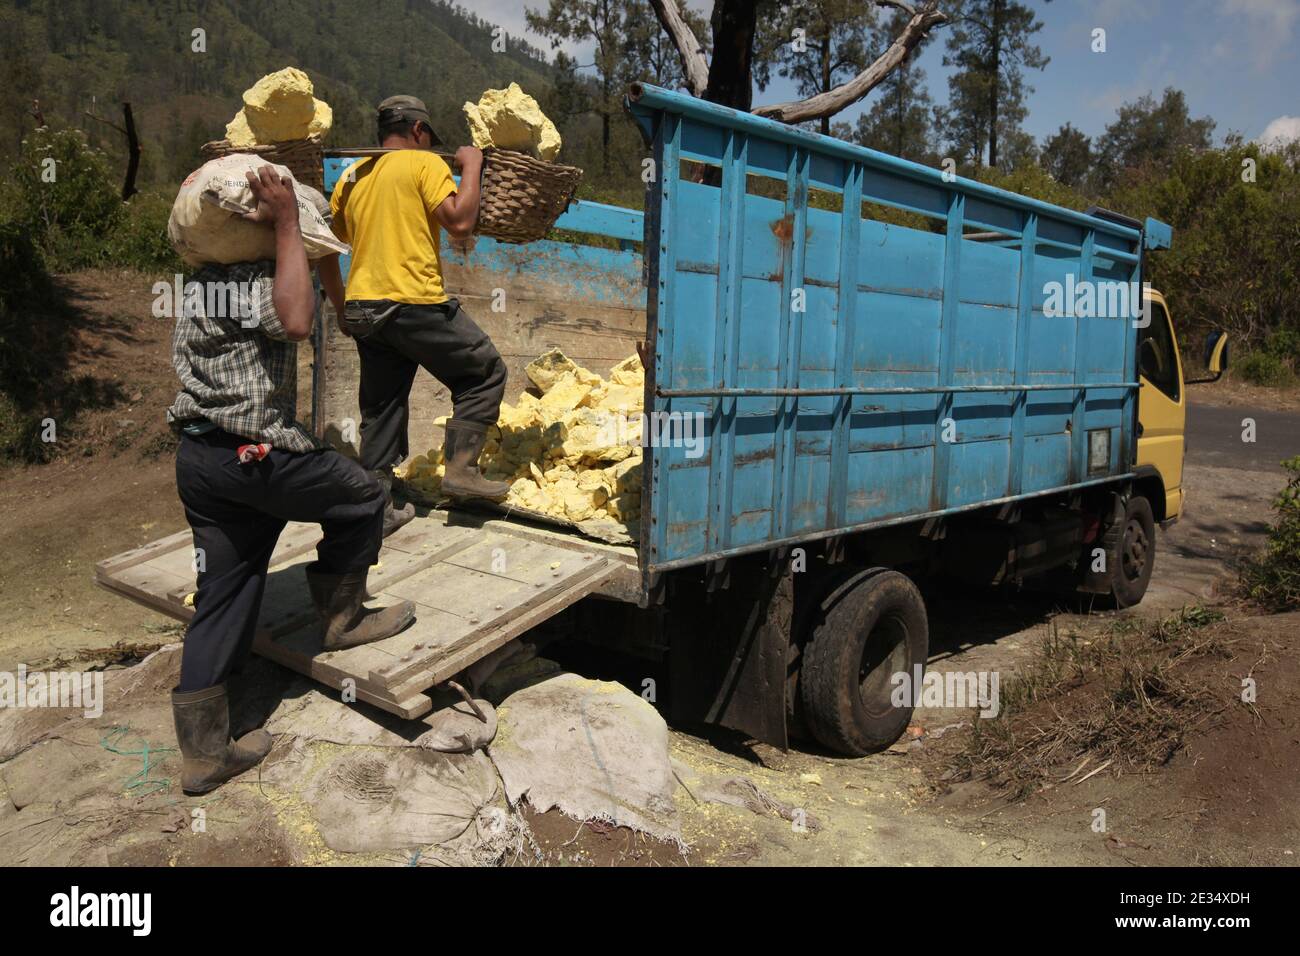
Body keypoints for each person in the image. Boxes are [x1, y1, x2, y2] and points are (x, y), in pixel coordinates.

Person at [167, 166, 416, 795]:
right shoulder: (249, 281)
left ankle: (203, 753)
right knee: (364, 495)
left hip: (201, 460)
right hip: (257, 458)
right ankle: (343, 618)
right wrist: (284, 221)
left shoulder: (196, 284)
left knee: (224, 588)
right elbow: (299, 320)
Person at [329, 94, 510, 513]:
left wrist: (341, 305)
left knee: (383, 405)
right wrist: (472, 166)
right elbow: (460, 222)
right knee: (482, 372)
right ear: (417, 130)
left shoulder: (351, 176)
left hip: (365, 309)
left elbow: (324, 248)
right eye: (428, 138)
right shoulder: (424, 163)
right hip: (412, 301)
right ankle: (462, 470)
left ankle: (377, 509)